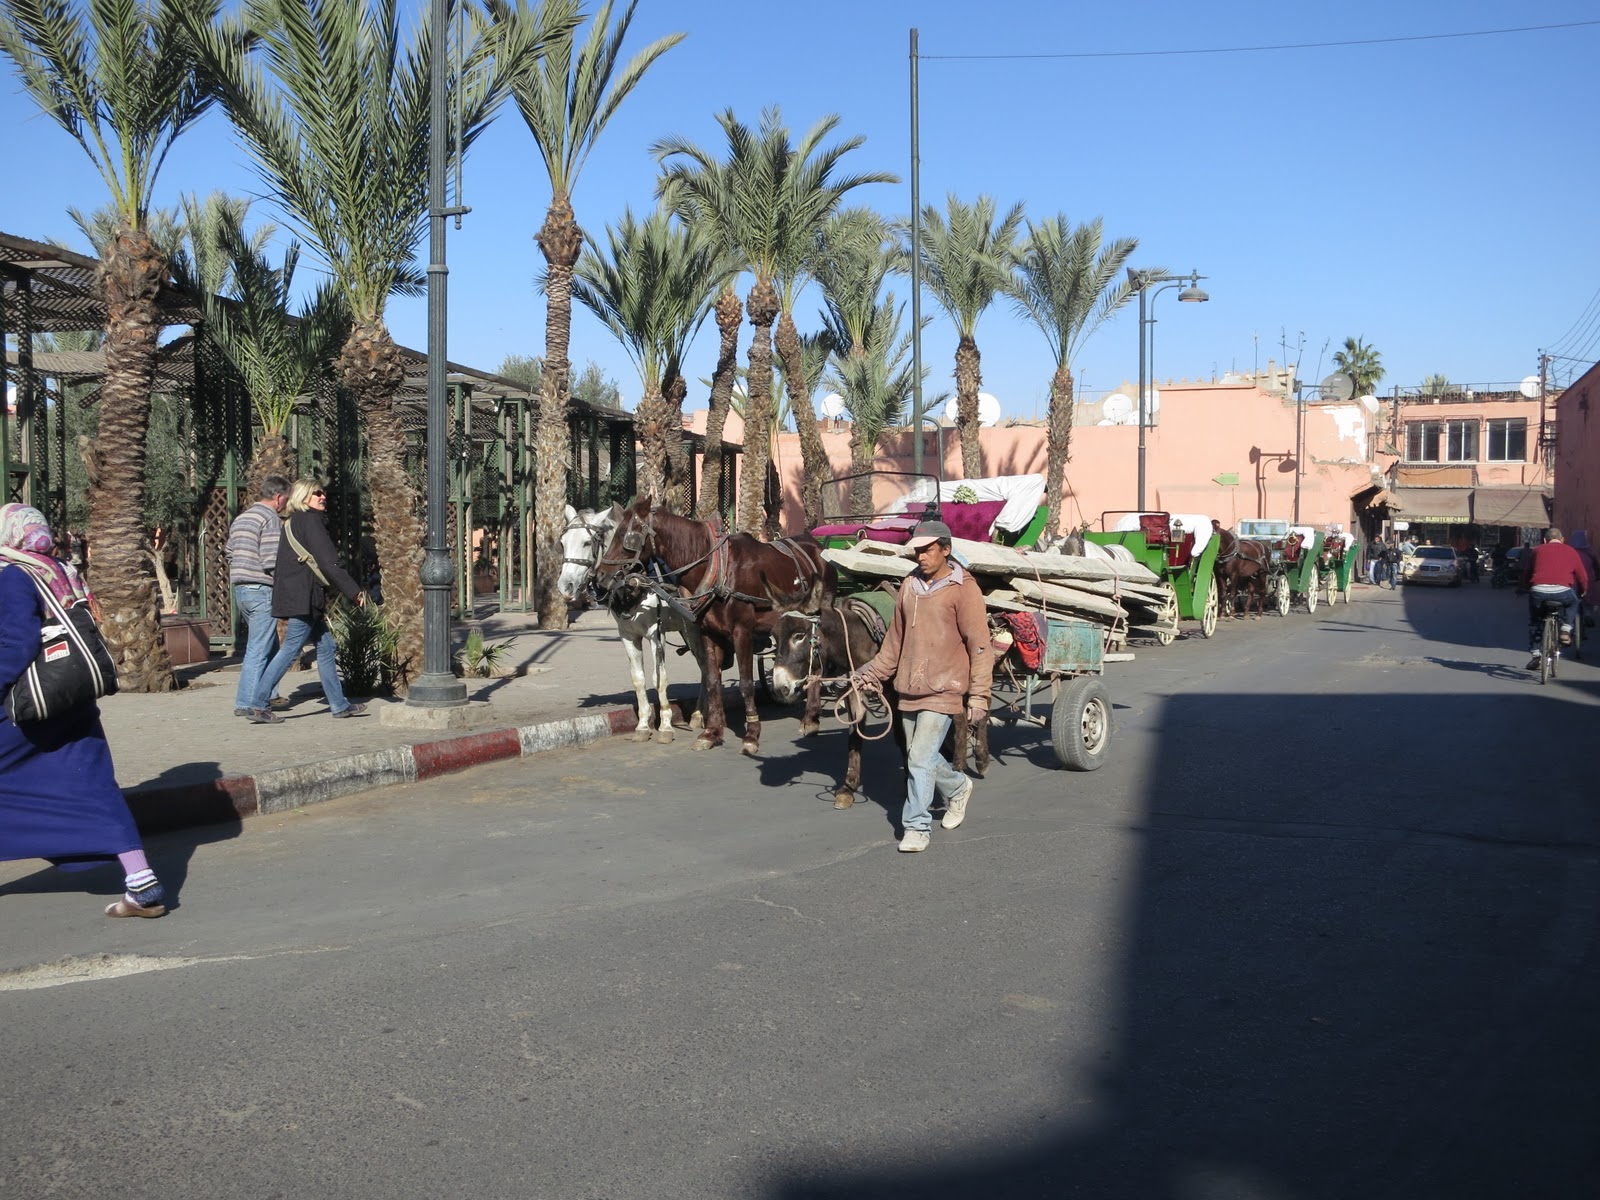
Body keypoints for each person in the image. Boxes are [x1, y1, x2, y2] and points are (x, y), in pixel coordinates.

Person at [0, 503, 166, 918]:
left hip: (29, 707)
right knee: (94, 788)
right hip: (74, 702)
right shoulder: (61, 570)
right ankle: (141, 881)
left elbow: (16, 644)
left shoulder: (15, 575)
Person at [850, 520, 994, 853]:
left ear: (946, 550)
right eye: (918, 550)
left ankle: (916, 826)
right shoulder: (909, 586)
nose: (921, 556)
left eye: (928, 549)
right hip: (909, 688)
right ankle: (957, 788)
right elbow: (894, 643)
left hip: (946, 687)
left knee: (917, 759)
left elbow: (980, 645)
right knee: (920, 757)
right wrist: (870, 674)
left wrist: (979, 696)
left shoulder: (963, 589)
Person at [245, 479, 368, 723]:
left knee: (326, 647)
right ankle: (258, 703)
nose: (323, 497)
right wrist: (354, 591)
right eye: (317, 493)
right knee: (291, 648)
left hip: (300, 595)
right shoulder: (310, 521)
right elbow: (328, 561)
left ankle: (339, 705)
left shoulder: (294, 522)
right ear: (303, 498)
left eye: (323, 493)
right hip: (304, 597)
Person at [226, 474, 290, 717]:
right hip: (262, 588)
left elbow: (230, 551)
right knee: (258, 647)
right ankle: (248, 702)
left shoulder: (242, 518)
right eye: (285, 499)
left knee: (269, 643)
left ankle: (269, 693)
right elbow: (271, 559)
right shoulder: (270, 519)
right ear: (278, 497)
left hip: (241, 589)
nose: (285, 504)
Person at [1522, 527, 1588, 669]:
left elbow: (1527, 573)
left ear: (1545, 540)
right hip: (1563, 591)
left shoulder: (1537, 550)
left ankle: (1535, 653)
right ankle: (1565, 628)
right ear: (1562, 540)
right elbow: (1582, 576)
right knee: (1573, 602)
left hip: (1538, 591)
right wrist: (1583, 591)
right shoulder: (1571, 551)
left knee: (1535, 622)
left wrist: (1527, 587)